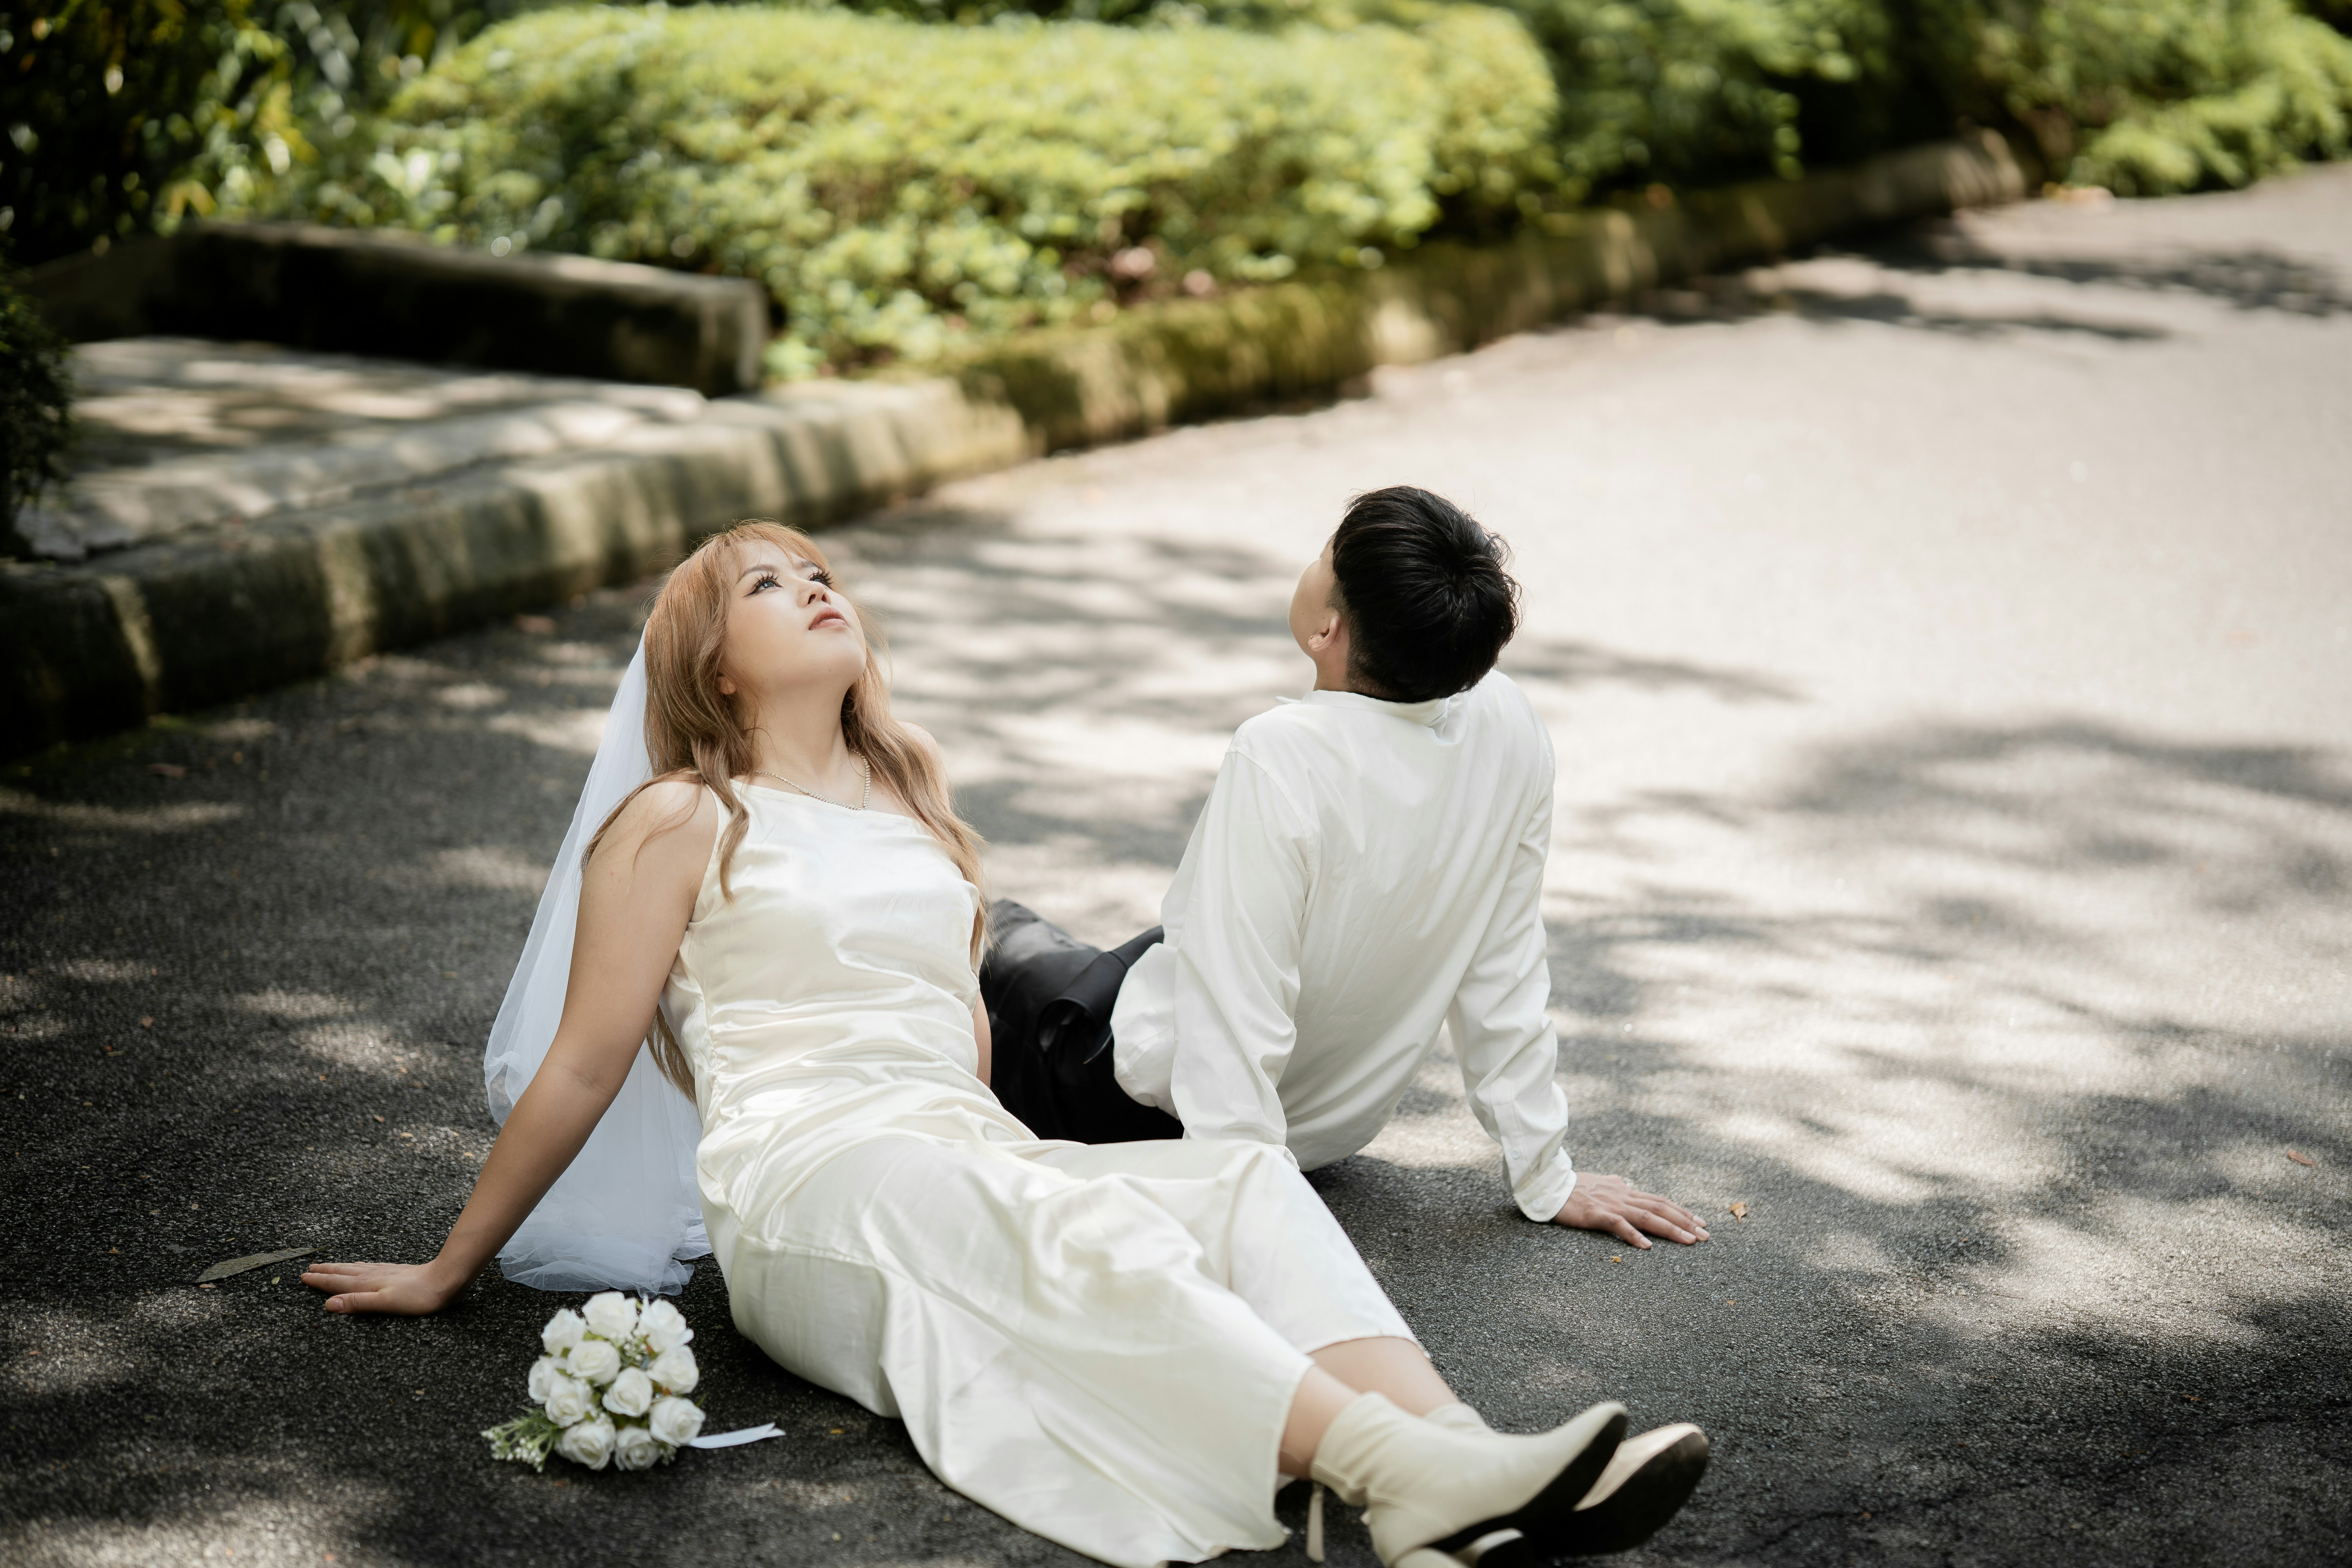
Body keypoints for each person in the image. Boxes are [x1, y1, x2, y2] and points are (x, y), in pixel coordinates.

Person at [301, 522, 1710, 1568]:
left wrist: (1026, 1157)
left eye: (820, 569)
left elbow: (966, 1041)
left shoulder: (910, 797)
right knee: (1028, 1217)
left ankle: (1467, 1458)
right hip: (805, 1185)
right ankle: (1392, 1474)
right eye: (768, 586)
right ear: (713, 668)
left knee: (1235, 1184)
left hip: (958, 1149)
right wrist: (449, 1269)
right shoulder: (680, 820)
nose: (816, 587)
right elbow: (585, 1067)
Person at [984, 488, 1708, 1250]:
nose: (1311, 560)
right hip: (1324, 1129)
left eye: (1322, 554)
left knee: (987, 933)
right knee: (1154, 934)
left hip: (1129, 1102)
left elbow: (1236, 1012)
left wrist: (1255, 1221)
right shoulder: (1509, 719)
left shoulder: (1283, 753)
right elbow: (1506, 962)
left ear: (1328, 628)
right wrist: (1543, 1169)